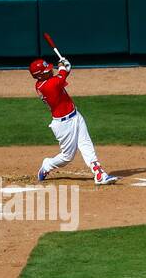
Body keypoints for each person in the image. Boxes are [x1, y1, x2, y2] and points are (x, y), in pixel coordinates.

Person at [30, 54, 117, 185]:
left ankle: (99, 173)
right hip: (63, 125)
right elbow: (60, 77)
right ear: (40, 75)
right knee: (67, 157)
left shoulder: (49, 81)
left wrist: (66, 68)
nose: (50, 70)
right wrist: (62, 66)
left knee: (86, 144)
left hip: (75, 115)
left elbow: (61, 76)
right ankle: (47, 165)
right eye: (47, 70)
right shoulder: (44, 86)